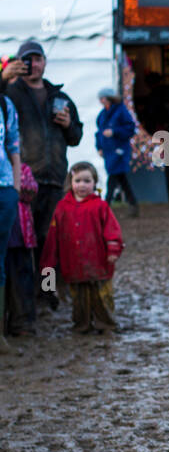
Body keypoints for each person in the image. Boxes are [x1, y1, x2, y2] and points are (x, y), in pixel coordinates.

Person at [2, 40, 84, 310]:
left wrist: (69, 124)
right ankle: (24, 302)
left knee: (50, 245)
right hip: (25, 182)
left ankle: (47, 292)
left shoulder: (58, 96)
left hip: (54, 180)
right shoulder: (11, 93)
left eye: (37, 59)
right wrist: (3, 79)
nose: (33, 65)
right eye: (27, 60)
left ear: (45, 62)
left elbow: (76, 137)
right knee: (25, 246)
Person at [39, 162, 123, 333]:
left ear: (95, 182)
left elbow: (112, 231)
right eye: (78, 181)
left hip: (99, 263)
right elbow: (53, 238)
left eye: (87, 181)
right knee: (79, 300)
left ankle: (106, 325)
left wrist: (113, 250)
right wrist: (48, 264)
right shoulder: (62, 208)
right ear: (71, 182)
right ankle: (82, 326)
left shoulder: (101, 206)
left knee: (102, 297)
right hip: (73, 265)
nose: (82, 185)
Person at [5, 160, 38, 340]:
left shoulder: (23, 168)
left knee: (22, 282)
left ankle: (23, 323)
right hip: (3, 239)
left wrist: (9, 183)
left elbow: (31, 191)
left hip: (20, 238)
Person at [95, 87, 138, 217]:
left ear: (109, 98)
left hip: (119, 151)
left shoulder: (121, 111)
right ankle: (133, 205)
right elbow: (99, 133)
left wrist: (115, 132)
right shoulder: (102, 115)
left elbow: (130, 129)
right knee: (121, 179)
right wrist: (99, 147)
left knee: (112, 178)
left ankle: (105, 208)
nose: (101, 100)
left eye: (103, 98)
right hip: (108, 151)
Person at [0, 93, 20, 353]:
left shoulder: (4, 103)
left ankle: (0, 337)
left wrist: (15, 186)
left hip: (4, 189)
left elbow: (14, 144)